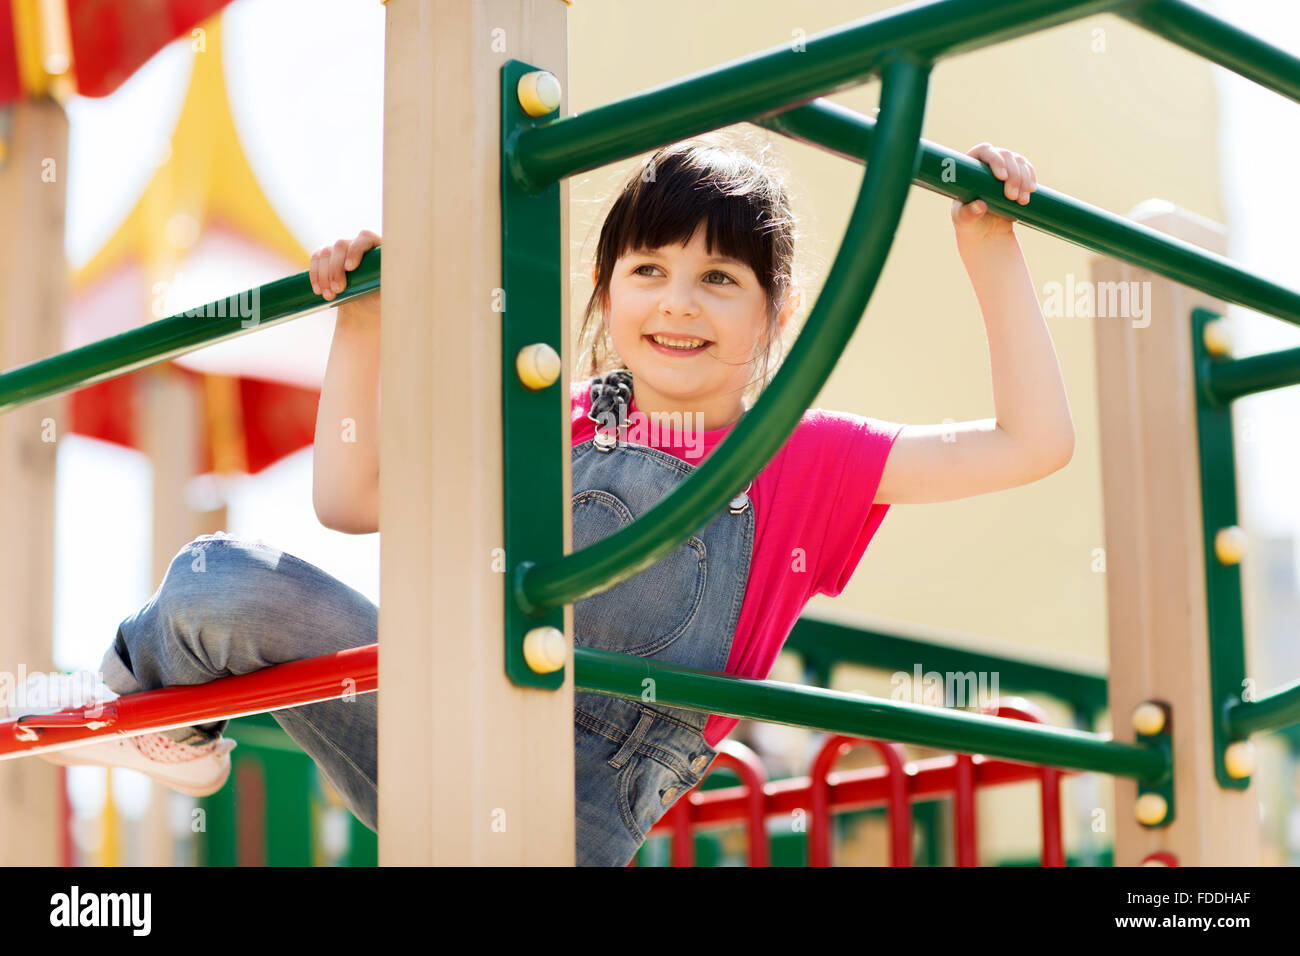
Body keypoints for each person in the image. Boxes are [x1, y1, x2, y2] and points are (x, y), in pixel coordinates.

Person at [3, 133, 1072, 865]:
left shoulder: (800, 455)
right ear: (605, 290)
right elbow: (350, 493)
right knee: (212, 577)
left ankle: (145, 713)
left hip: (577, 805)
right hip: (444, 726)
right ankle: (141, 718)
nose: (677, 304)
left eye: (720, 279)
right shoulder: (554, 415)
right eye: (647, 270)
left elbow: (1033, 443)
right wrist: (361, 322)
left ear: (774, 311)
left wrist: (989, 246)